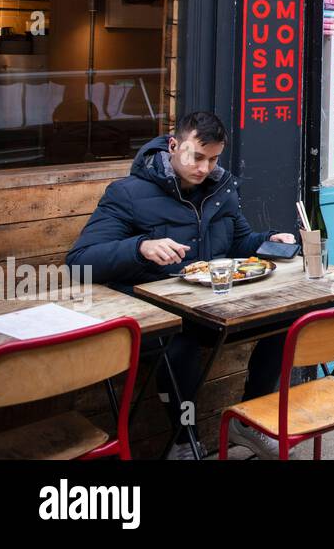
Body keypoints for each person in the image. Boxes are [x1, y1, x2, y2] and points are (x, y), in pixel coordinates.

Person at [66, 111, 298, 459]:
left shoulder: (222, 189)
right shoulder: (128, 193)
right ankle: (183, 438)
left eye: (214, 158)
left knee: (284, 323)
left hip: (214, 305)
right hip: (158, 313)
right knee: (181, 344)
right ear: (173, 145)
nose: (204, 168)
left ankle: (248, 423)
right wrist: (139, 248)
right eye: (196, 156)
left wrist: (269, 240)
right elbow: (80, 260)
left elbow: (239, 242)